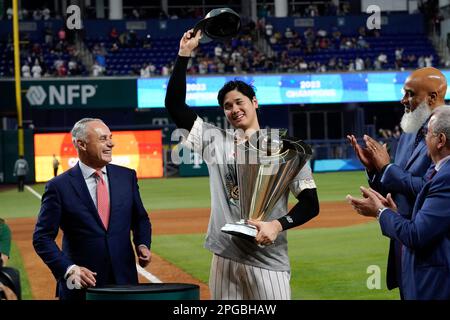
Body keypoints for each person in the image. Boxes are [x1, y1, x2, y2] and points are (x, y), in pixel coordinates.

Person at [164, 29, 319, 300]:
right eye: (227, 106)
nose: (234, 109)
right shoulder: (215, 141)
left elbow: (310, 203)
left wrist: (277, 225)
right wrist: (184, 54)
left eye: (239, 102)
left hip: (268, 259)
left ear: (255, 103)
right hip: (224, 257)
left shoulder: (284, 147)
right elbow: (175, 105)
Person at [347, 67, 447, 297]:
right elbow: (394, 187)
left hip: (432, 253)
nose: (403, 100)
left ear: (432, 97)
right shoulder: (409, 133)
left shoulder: (445, 136)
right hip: (403, 247)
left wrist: (387, 168)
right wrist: (375, 170)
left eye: (410, 94)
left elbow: (432, 188)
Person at [33, 118, 152, 300]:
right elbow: (42, 238)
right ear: (81, 144)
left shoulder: (127, 177)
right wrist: (69, 269)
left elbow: (140, 219)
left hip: (125, 283)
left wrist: (142, 243)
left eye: (110, 137)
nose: (111, 143)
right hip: (81, 287)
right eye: (103, 139)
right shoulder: (58, 186)